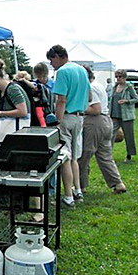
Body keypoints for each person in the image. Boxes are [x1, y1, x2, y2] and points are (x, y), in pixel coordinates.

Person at [46, 45, 91, 208]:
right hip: (80, 117)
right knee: (74, 158)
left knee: (65, 158)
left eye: (51, 60)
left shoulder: (63, 72)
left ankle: (68, 196)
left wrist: (57, 122)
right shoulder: (82, 71)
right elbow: (89, 95)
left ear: (58, 56)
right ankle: (77, 190)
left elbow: (61, 101)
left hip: (66, 117)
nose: (51, 64)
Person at [77, 66, 127, 195]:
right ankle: (118, 183)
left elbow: (96, 109)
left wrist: (76, 108)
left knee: (83, 155)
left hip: (94, 122)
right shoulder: (98, 85)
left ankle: (81, 187)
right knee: (105, 156)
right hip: (106, 122)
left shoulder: (91, 88)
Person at [110, 68, 138, 163]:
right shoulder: (115, 87)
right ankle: (108, 155)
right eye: (117, 76)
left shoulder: (129, 87)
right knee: (110, 135)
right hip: (114, 115)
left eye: (120, 76)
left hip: (126, 116)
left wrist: (126, 101)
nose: (118, 78)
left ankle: (129, 155)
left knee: (128, 136)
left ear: (124, 77)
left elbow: (136, 99)